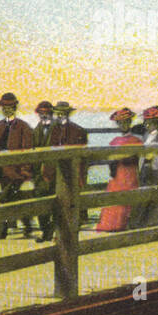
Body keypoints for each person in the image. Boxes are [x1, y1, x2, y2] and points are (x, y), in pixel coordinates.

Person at [0, 92, 36, 239]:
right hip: (1, 170)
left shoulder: (23, 126)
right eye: (4, 107)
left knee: (4, 199)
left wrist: (24, 171)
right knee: (13, 199)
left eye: (10, 106)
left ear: (15, 107)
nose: (7, 109)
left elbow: (28, 150)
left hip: (17, 172)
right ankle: (27, 225)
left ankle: (1, 233)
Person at [38, 100, 89, 241]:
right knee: (50, 201)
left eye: (63, 113)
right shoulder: (53, 130)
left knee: (67, 203)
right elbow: (49, 150)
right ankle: (48, 232)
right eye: (58, 113)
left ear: (68, 114)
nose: (60, 116)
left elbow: (81, 155)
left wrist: (80, 176)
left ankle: (61, 234)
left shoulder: (78, 130)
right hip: (54, 170)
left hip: (70, 172)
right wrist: (46, 170)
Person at [96, 108, 144, 232]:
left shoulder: (136, 140)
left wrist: (117, 157)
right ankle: (111, 224)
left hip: (129, 173)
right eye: (121, 123)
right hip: (117, 173)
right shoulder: (115, 141)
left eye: (126, 122)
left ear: (129, 123)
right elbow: (109, 157)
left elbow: (133, 157)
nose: (123, 125)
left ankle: (124, 224)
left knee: (127, 196)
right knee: (113, 195)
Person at [29, 101, 55, 240]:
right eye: (41, 113)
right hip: (39, 172)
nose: (44, 116)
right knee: (40, 203)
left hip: (54, 172)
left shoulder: (58, 129)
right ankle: (45, 231)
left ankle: (51, 231)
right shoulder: (36, 129)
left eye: (46, 113)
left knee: (56, 204)